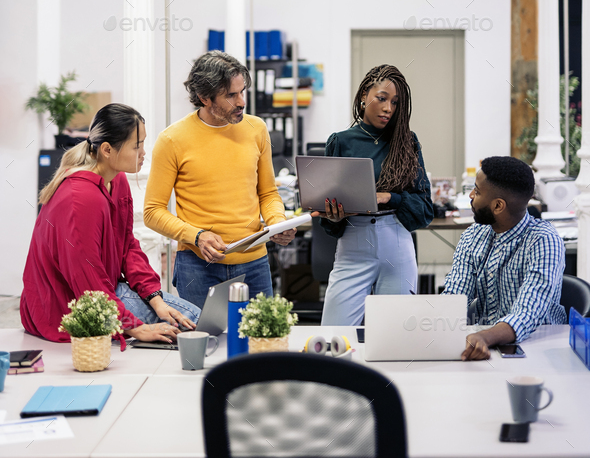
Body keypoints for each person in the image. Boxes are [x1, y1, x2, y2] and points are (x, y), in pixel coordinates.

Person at [21, 103, 200, 345]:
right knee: (191, 322)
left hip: (103, 291)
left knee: (187, 320)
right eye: (136, 146)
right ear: (107, 149)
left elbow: (127, 246)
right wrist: (135, 328)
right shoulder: (81, 198)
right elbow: (87, 279)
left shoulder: (118, 180)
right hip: (66, 305)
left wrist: (155, 298)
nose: (143, 152)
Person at [144, 51, 296, 311]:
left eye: (243, 91)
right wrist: (196, 235)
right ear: (204, 97)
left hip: (255, 263)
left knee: (262, 346)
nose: (242, 102)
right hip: (198, 267)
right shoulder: (172, 140)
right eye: (231, 95)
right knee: (204, 347)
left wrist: (277, 223)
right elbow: (152, 212)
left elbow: (268, 193)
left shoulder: (256, 129)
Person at [317, 64, 433, 326]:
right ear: (363, 96)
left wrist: (389, 197)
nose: (388, 108)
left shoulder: (407, 142)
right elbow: (328, 218)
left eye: (395, 102)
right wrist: (334, 216)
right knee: (333, 335)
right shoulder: (341, 141)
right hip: (354, 245)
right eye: (381, 98)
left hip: (397, 243)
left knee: (395, 338)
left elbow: (425, 209)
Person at [443, 156, 567, 361]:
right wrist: (426, 322)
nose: (471, 195)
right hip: (483, 346)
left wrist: (484, 336)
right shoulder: (473, 234)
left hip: (541, 349)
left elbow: (528, 313)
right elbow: (456, 297)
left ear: (498, 206)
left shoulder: (544, 240)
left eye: (477, 191)